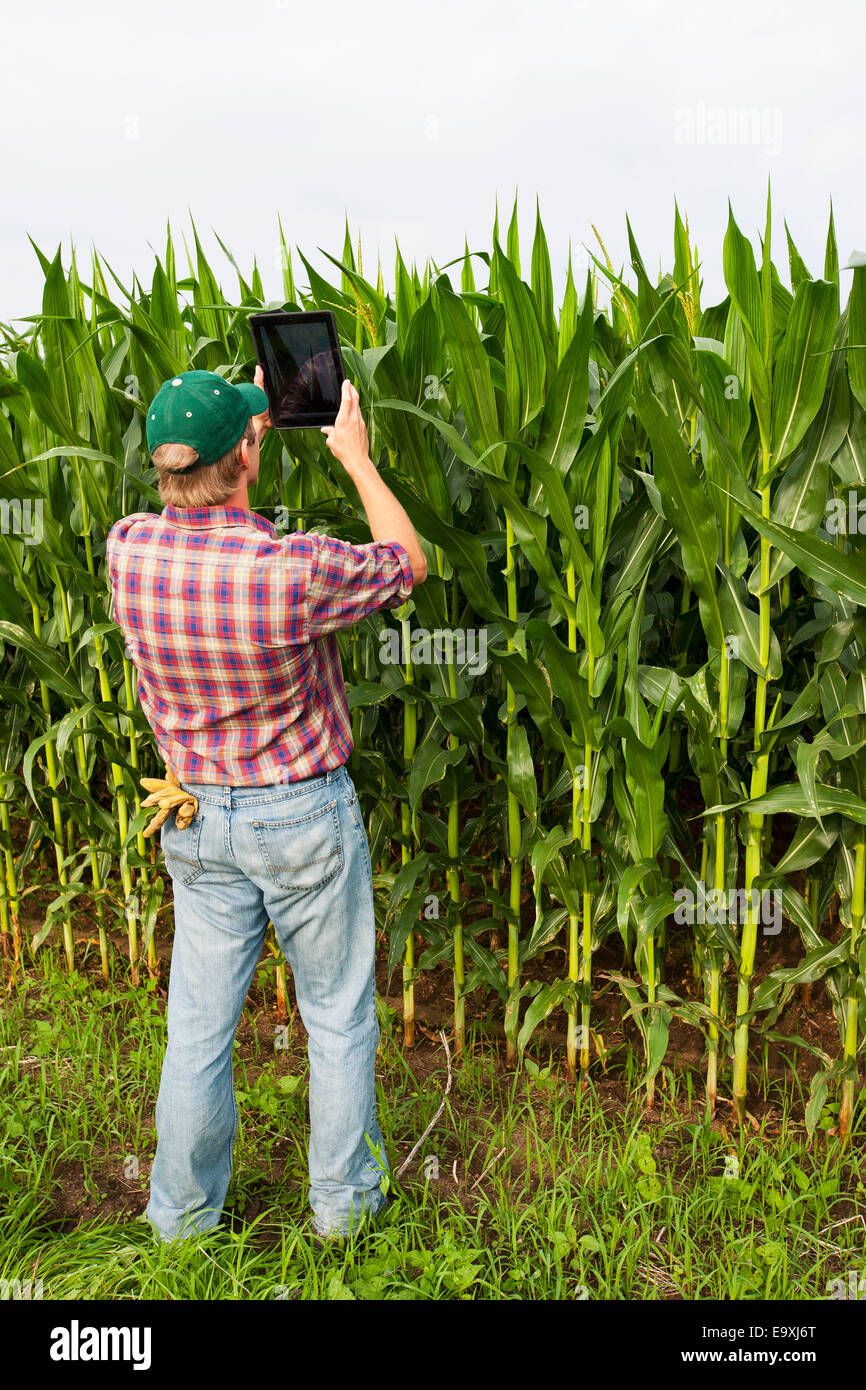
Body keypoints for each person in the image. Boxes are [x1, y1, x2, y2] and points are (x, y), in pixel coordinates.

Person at [105, 365, 427, 1244]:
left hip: (195, 817)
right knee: (333, 1014)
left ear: (165, 466)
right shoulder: (290, 570)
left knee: (199, 1028)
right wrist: (356, 460)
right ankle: (343, 1212)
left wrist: (237, 418)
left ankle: (179, 1218)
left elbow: (198, 499)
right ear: (248, 456)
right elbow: (407, 562)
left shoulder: (126, 548)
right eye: (250, 439)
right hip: (299, 818)